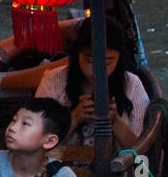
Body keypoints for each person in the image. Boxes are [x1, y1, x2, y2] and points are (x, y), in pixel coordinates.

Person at [34, 16, 145, 150]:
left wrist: (115, 121)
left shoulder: (132, 85)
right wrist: (74, 119)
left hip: (116, 168)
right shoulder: (53, 80)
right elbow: (35, 143)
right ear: (77, 54)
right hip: (61, 167)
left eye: (108, 62)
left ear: (119, 59)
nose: (98, 70)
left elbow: (142, 152)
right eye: (89, 61)